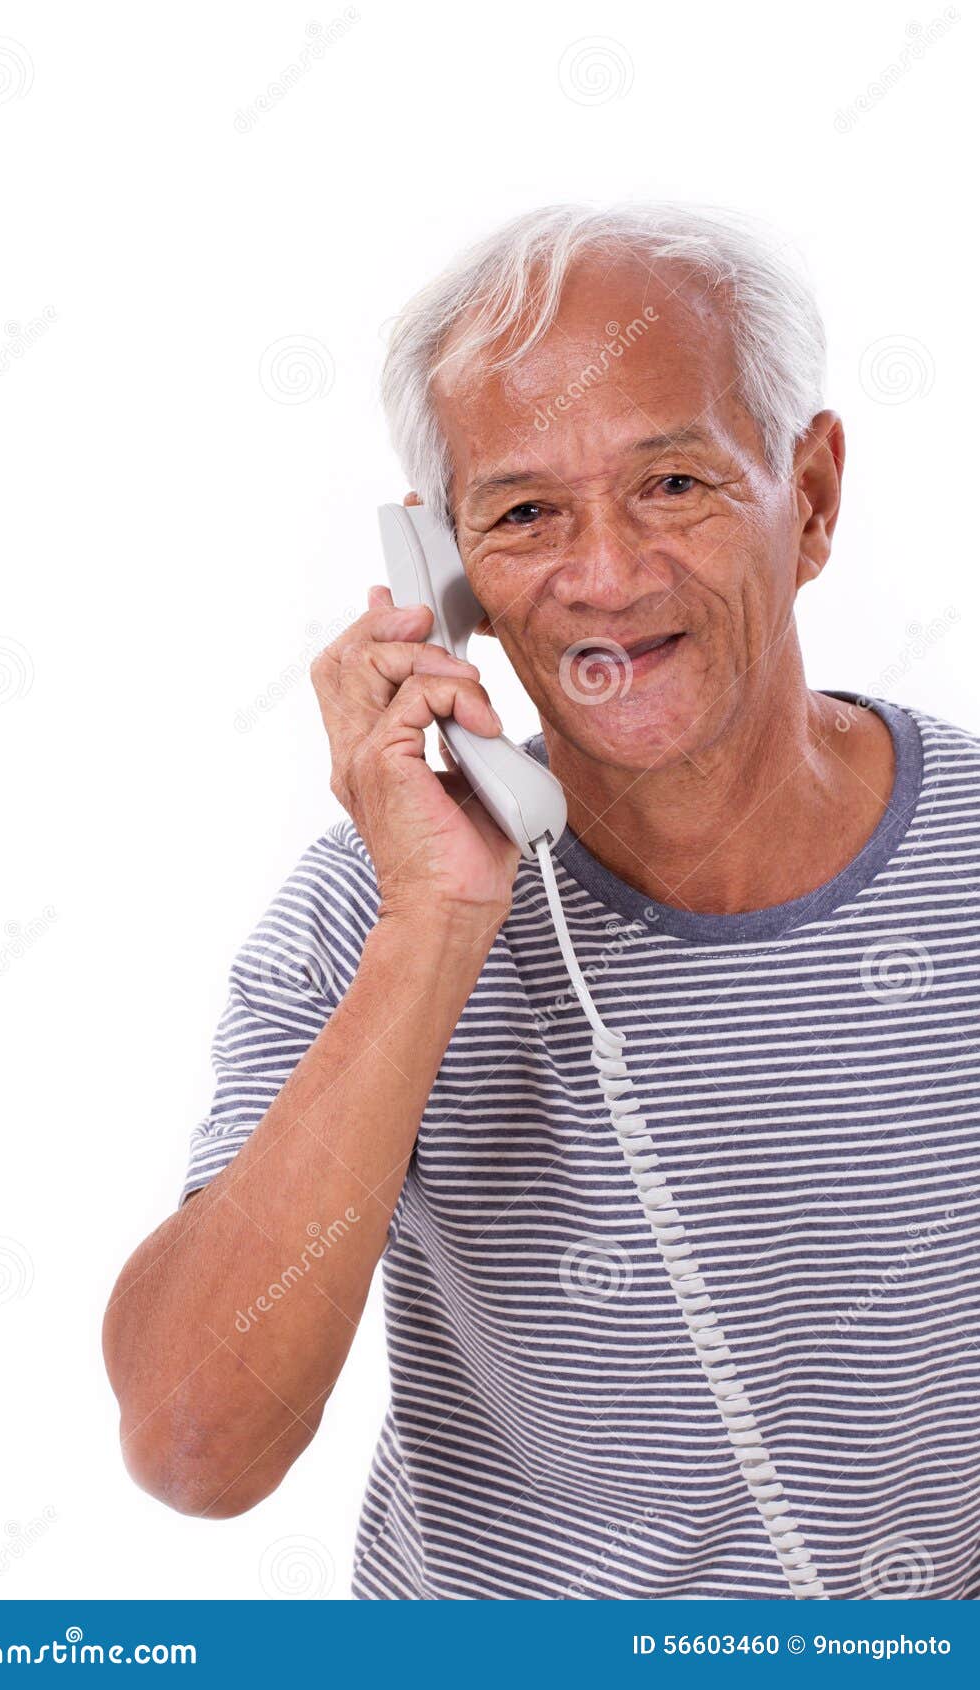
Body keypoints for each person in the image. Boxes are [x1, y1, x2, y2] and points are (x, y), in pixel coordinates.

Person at [103, 203, 980, 1600]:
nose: (607, 578)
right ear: (445, 575)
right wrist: (434, 925)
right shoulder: (368, 909)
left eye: (674, 483)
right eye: (523, 514)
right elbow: (196, 1447)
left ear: (810, 498)